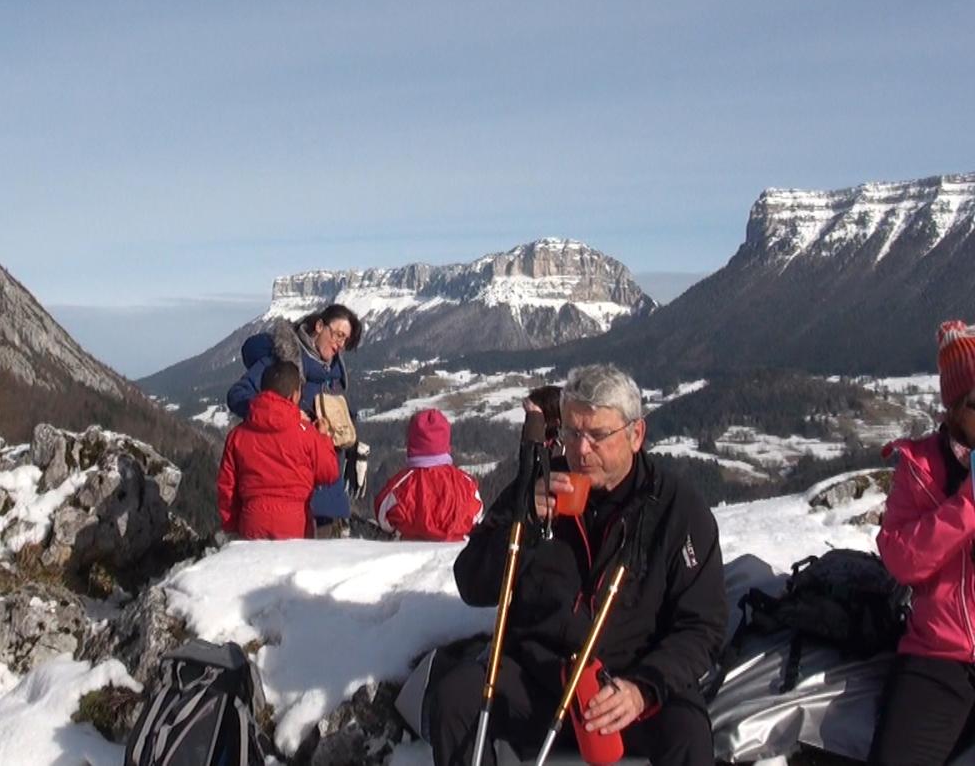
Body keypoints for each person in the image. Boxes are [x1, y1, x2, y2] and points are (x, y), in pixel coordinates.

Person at [428, 363, 727, 766]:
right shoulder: (536, 490)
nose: (581, 450)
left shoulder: (676, 509)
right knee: (456, 698)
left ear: (636, 434)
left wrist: (643, 688)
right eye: (572, 433)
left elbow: (701, 625)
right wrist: (523, 527)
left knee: (687, 734)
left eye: (598, 435)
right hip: (539, 678)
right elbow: (473, 585)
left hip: (630, 683)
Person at [870, 320, 975, 765]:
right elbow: (902, 560)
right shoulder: (920, 467)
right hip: (940, 656)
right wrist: (968, 504)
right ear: (952, 409)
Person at [227, 304, 362, 534]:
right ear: (319, 326)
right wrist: (286, 414)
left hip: (330, 496)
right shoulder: (282, 362)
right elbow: (237, 395)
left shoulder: (334, 376)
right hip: (291, 498)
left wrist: (351, 444)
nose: (340, 345)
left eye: (345, 341)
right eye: (338, 335)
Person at [217, 361, 340, 540]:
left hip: (252, 522)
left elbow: (227, 489)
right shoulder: (306, 433)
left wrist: (232, 527)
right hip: (295, 524)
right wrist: (324, 438)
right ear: (294, 396)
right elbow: (329, 472)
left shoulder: (237, 436)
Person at [373, 409, 483, 542]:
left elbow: (383, 516)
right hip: (457, 551)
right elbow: (476, 513)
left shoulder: (402, 484)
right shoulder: (465, 483)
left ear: (412, 441)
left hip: (407, 550)